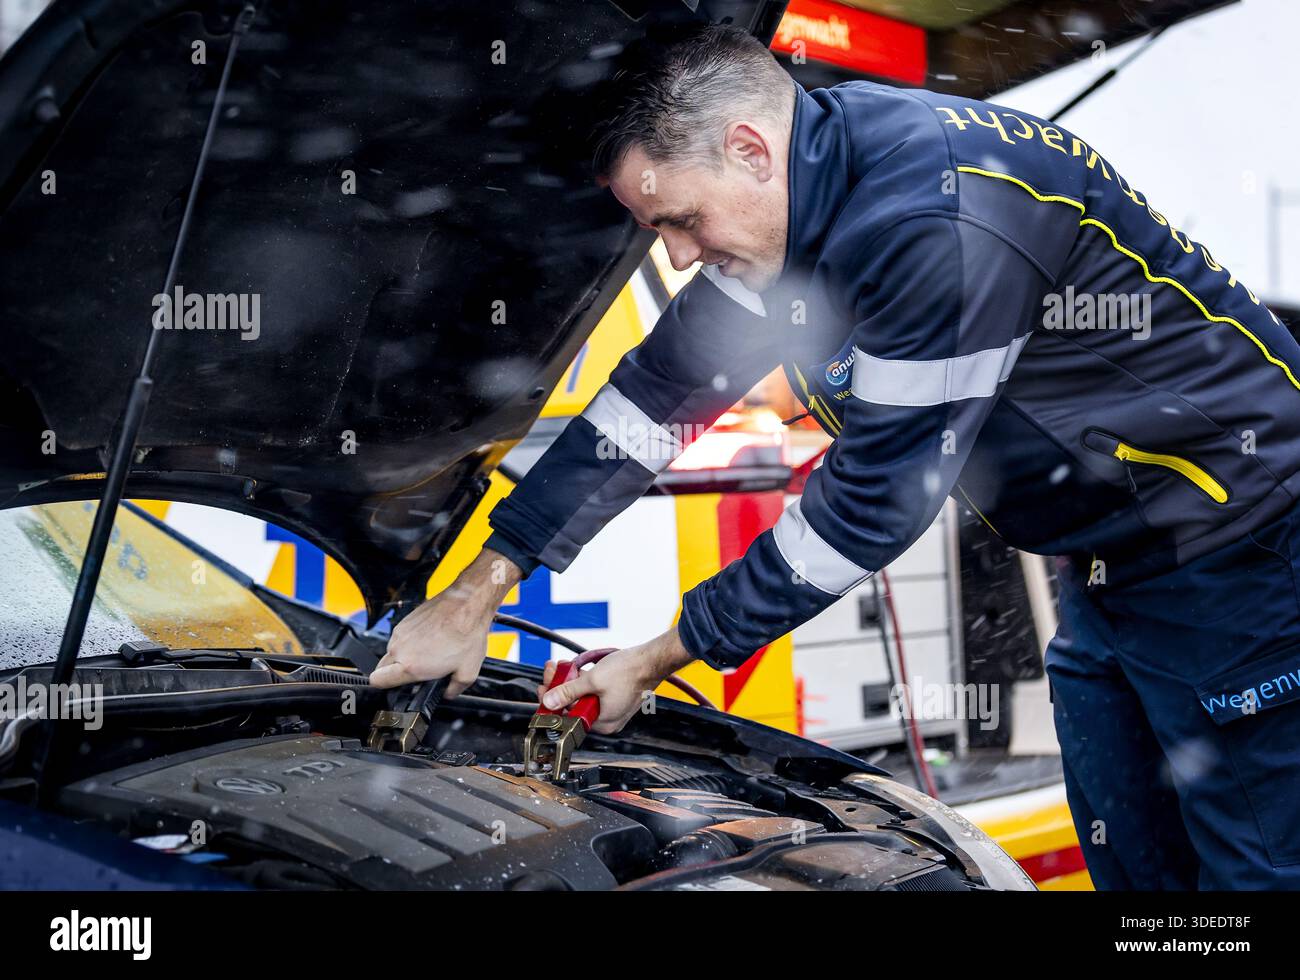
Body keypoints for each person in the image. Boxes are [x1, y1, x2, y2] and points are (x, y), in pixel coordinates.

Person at [372, 24, 1300, 889]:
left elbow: (869, 508)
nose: (683, 258)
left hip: (1247, 549)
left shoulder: (939, 216)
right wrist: (476, 592)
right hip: (1109, 566)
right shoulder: (788, 217)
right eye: (660, 233)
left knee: (1255, 871)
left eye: (681, 222)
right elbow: (648, 406)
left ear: (749, 148)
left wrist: (659, 657)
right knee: (1141, 866)